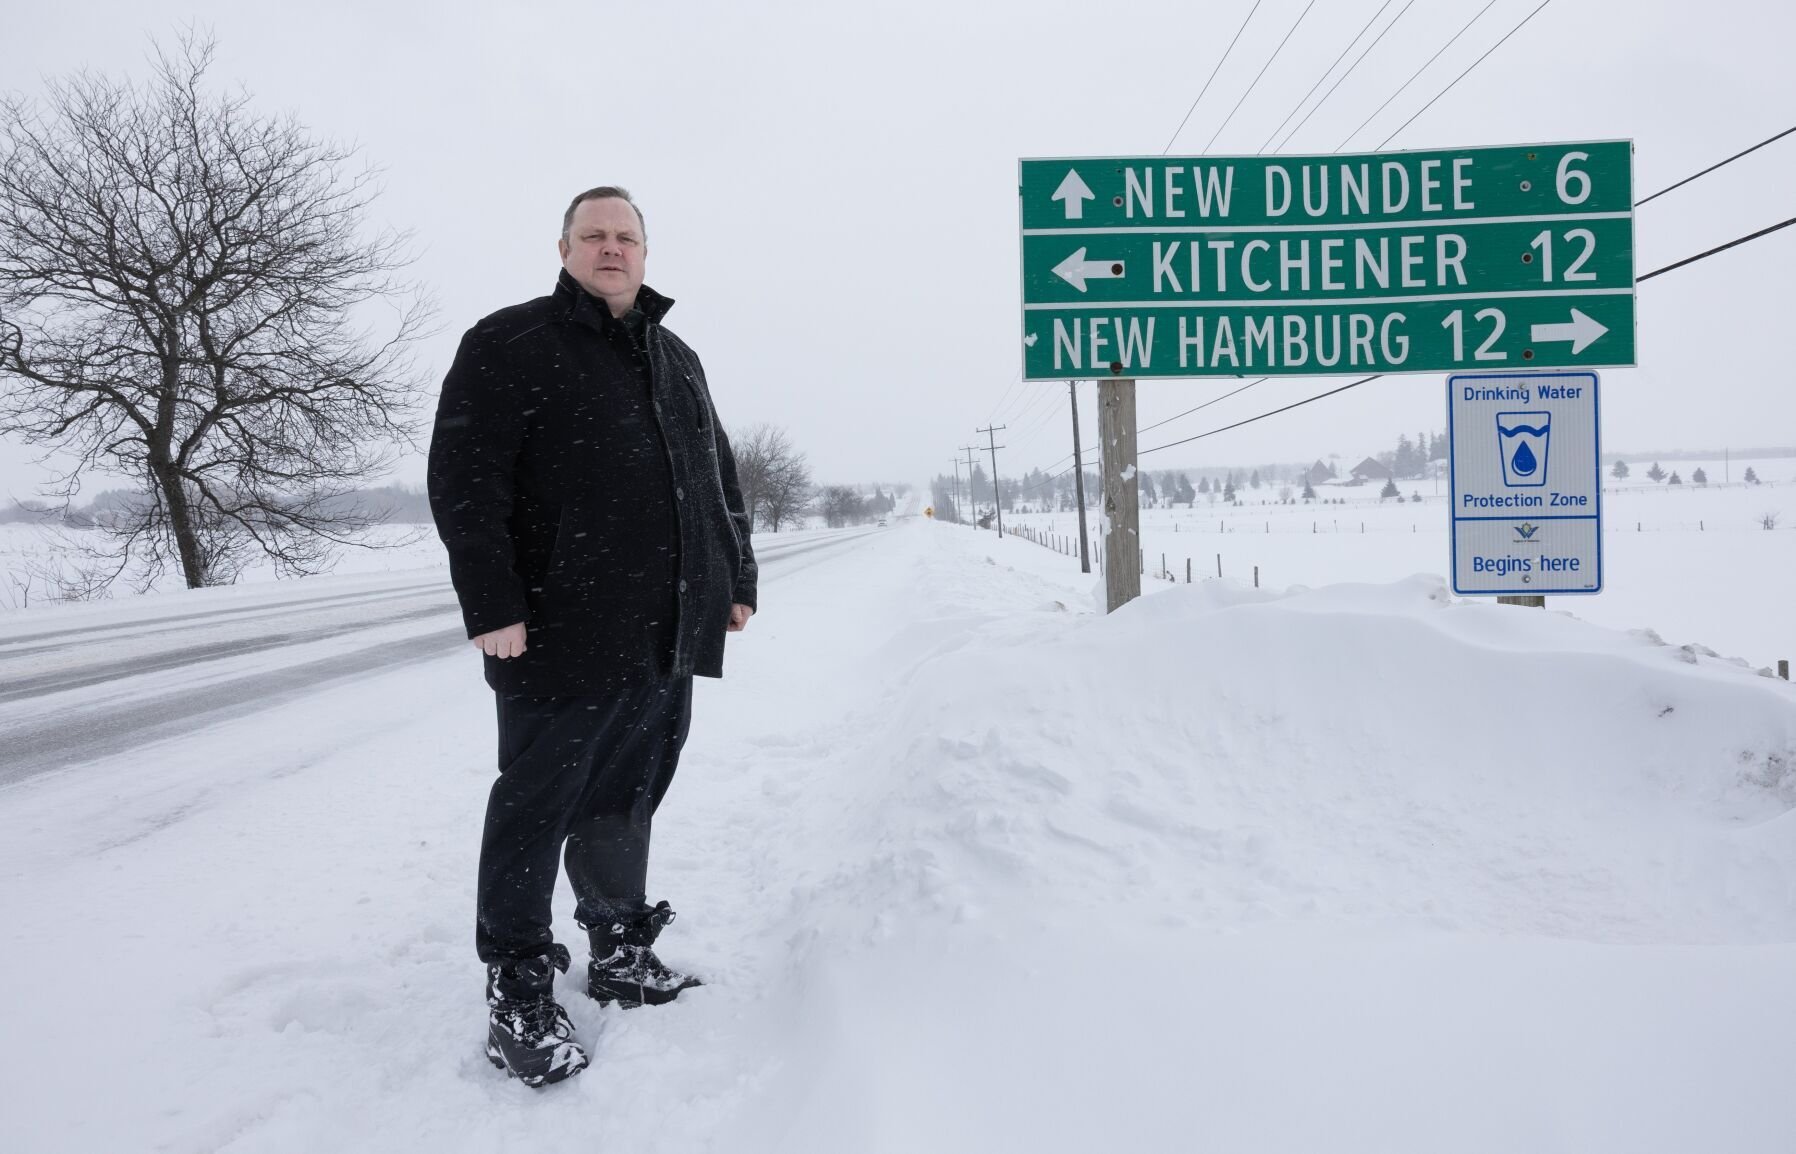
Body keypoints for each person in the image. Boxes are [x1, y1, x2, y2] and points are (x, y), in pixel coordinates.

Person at [427, 186, 757, 1087]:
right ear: (564, 247)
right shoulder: (512, 343)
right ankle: (519, 987)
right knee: (538, 804)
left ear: (646, 253)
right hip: (558, 633)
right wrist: (491, 603)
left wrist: (736, 580)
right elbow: (465, 479)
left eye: (627, 237)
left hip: (664, 629)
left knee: (630, 792)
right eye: (595, 236)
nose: (612, 248)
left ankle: (617, 949)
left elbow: (715, 478)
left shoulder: (674, 354)